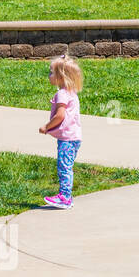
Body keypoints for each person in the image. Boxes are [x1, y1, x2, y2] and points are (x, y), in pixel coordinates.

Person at [37, 55, 83, 210]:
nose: (49, 75)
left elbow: (60, 115)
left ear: (60, 76)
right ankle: (66, 196)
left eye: (51, 72)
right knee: (66, 166)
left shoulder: (62, 94)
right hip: (74, 137)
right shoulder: (72, 93)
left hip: (67, 139)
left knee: (64, 167)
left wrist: (47, 126)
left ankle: (64, 197)